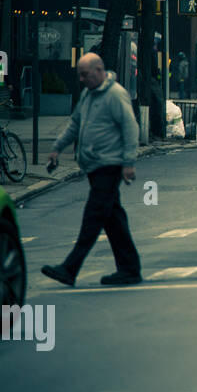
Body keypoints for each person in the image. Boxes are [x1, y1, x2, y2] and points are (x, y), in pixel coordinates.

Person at [40, 53, 142, 287]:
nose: (82, 79)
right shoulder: (88, 94)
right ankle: (130, 269)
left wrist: (128, 163)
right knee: (113, 220)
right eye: (80, 75)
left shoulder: (115, 95)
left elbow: (130, 127)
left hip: (110, 164)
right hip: (95, 165)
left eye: (85, 74)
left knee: (93, 218)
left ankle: (69, 268)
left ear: (99, 70)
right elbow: (75, 124)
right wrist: (57, 148)